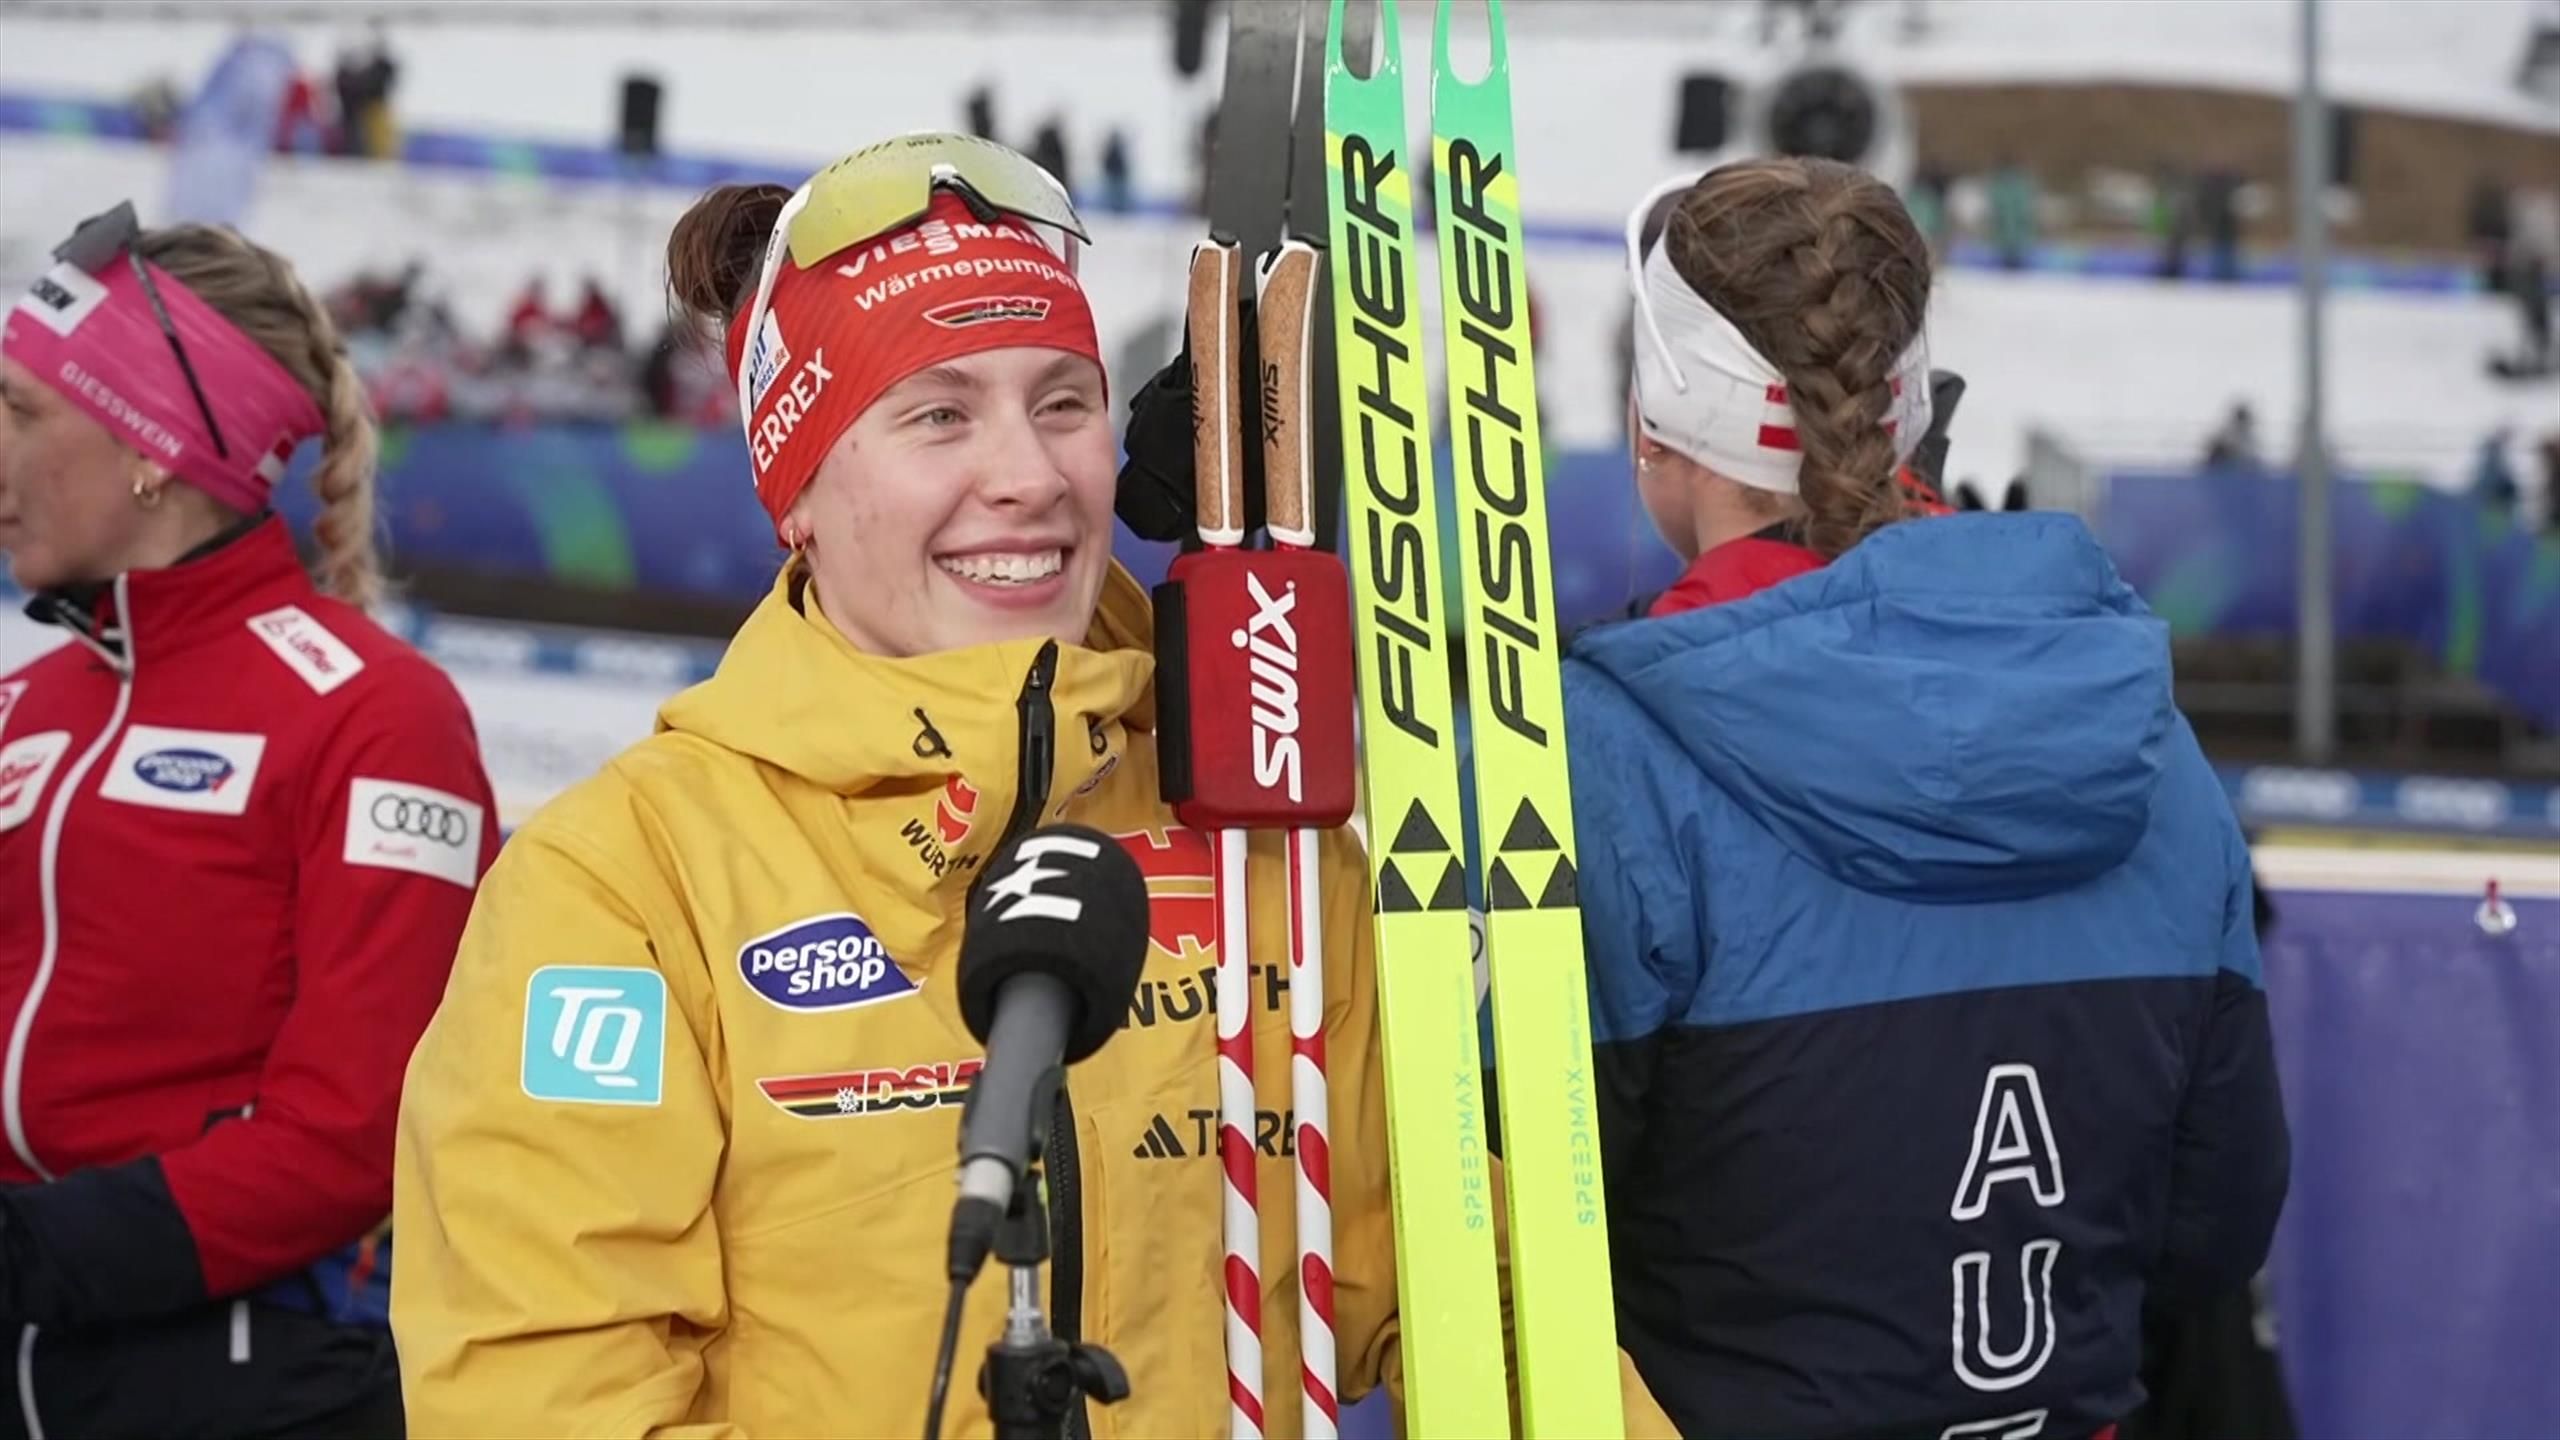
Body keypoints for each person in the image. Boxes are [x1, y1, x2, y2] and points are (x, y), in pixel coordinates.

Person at [389, 131, 1670, 1437]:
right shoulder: (628, 887)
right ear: (801, 493)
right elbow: (541, 1394)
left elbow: (1471, 1292)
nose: (1029, 476)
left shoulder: (1252, 838)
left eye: (1062, 402)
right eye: (938, 414)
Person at [1562, 156, 2290, 1439]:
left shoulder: (1605, 755)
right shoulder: (2143, 733)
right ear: (1905, 415)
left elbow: (1525, 1232)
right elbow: (2214, 1223)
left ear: (1654, 426)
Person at [0, 202, 499, 1436]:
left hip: (243, 1376)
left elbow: (358, 1127)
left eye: (21, 413)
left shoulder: (381, 716)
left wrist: (34, 1253)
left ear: (151, 447)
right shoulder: (24, 702)